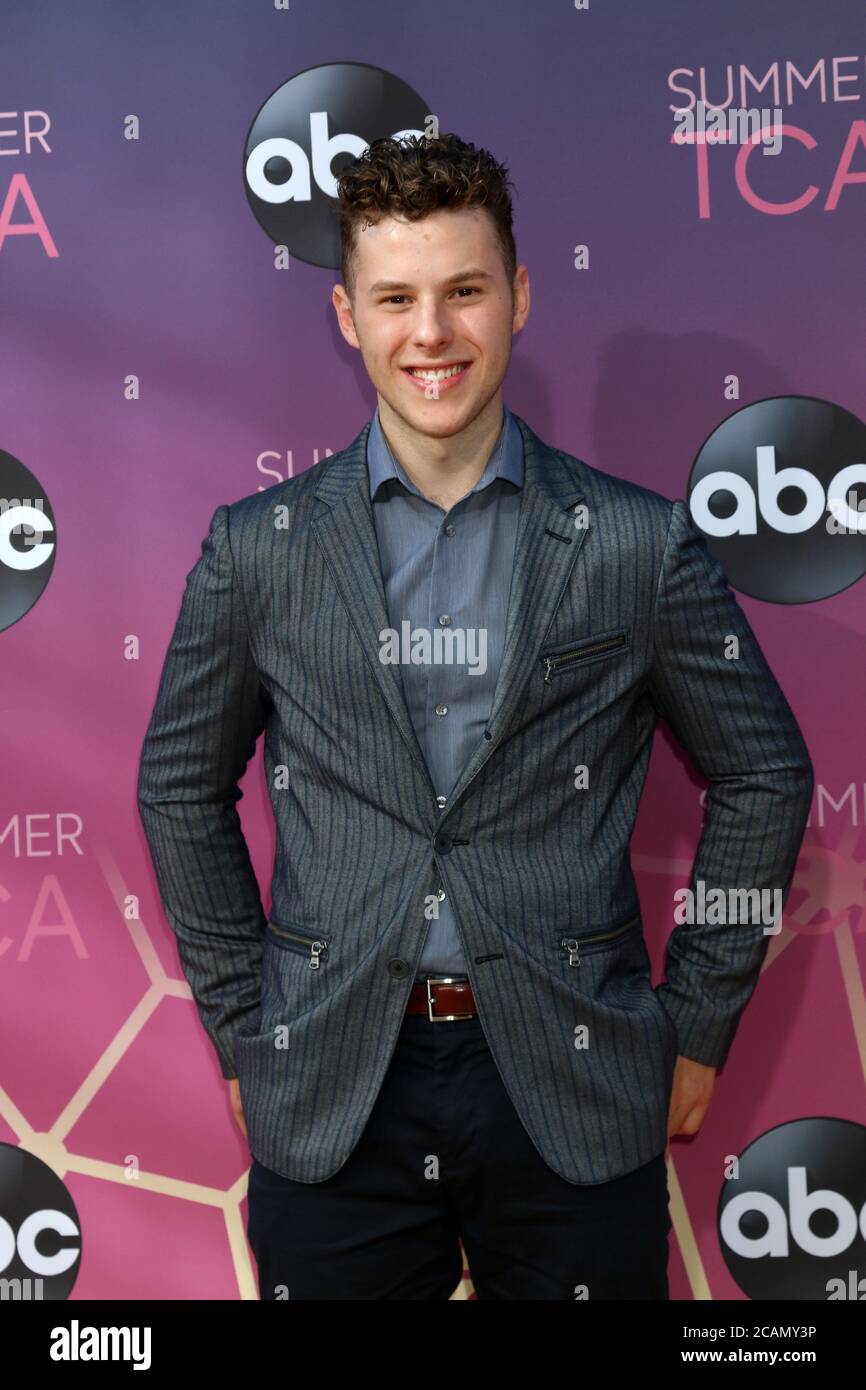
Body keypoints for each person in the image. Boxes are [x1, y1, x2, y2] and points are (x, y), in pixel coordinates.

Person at [136, 132, 813, 1300]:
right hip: (336, 1083)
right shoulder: (258, 551)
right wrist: (251, 1026)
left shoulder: (635, 546)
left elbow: (763, 773)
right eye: (394, 298)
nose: (431, 333)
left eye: (462, 291)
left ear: (518, 297)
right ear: (348, 317)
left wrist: (697, 1018)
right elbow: (178, 786)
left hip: (573, 1078)